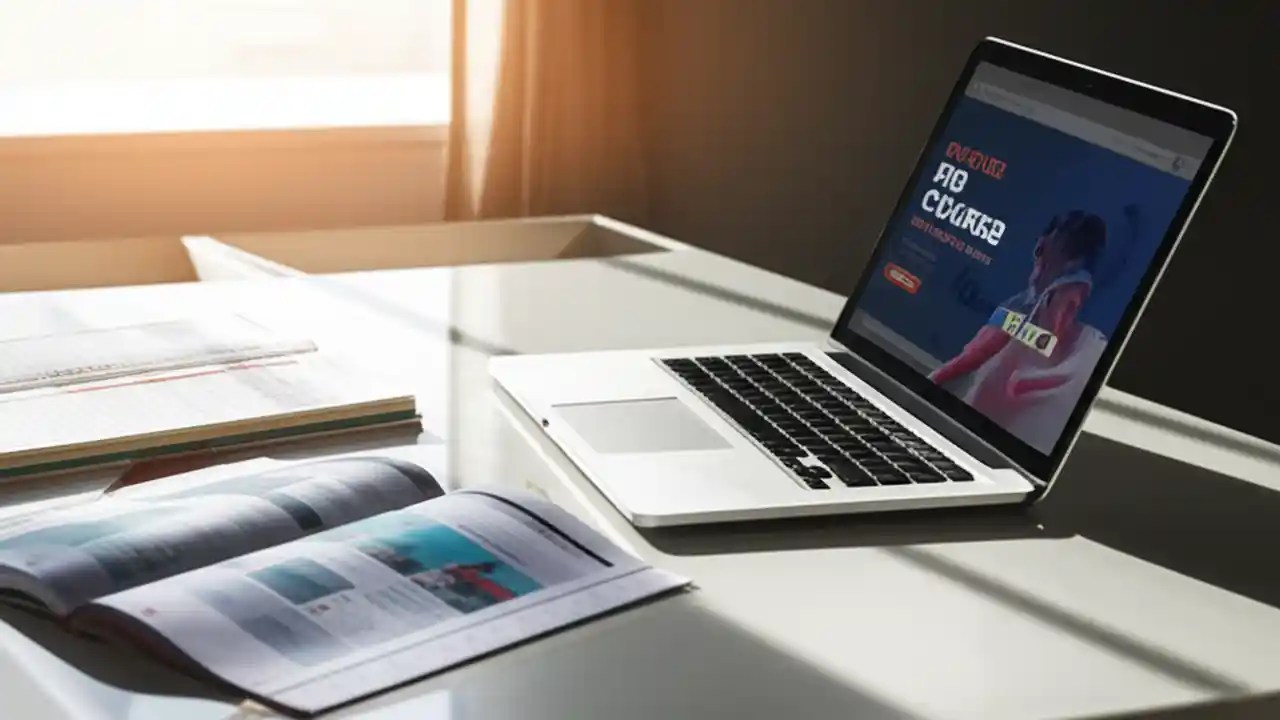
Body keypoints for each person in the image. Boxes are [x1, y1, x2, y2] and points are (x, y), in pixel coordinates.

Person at [929, 211, 1109, 450]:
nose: (1039, 248)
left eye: (1046, 245)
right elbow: (980, 350)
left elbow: (1046, 342)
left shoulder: (1069, 288)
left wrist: (1006, 323)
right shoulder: (1030, 297)